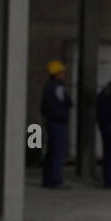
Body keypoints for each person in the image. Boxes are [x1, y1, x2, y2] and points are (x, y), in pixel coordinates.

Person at [39, 60, 72, 189]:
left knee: (51, 152)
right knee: (58, 153)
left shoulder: (48, 87)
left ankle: (48, 180)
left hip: (51, 123)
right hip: (58, 124)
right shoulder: (57, 87)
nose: (63, 75)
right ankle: (55, 181)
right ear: (56, 74)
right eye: (62, 73)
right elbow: (68, 102)